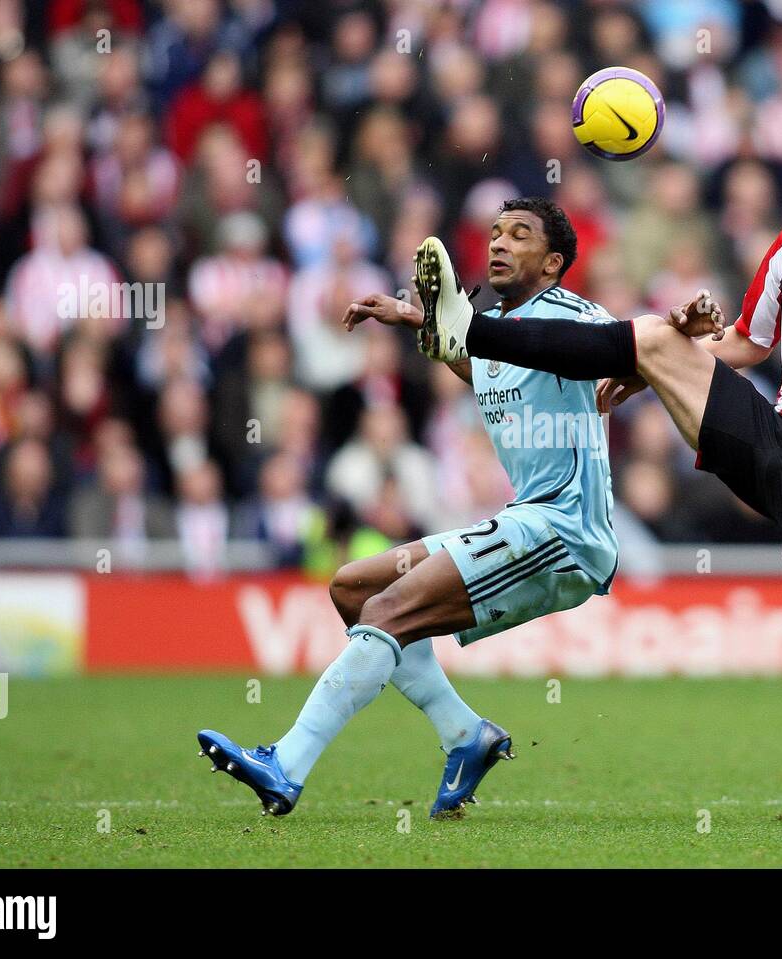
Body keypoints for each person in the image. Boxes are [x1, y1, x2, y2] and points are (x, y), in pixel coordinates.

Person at [416, 114, 782, 828]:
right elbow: (747, 344)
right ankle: (469, 327)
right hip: (775, 433)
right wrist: (658, 365)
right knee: (655, 335)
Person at [197, 198, 619, 819]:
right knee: (354, 589)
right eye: (495, 233)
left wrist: (668, 344)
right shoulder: (499, 327)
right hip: (527, 519)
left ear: (554, 261)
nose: (499, 243)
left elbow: (633, 349)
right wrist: (417, 321)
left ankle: (286, 764)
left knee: (390, 611)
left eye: (519, 236)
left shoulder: (575, 316)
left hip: (565, 533)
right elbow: (486, 371)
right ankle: (464, 735)